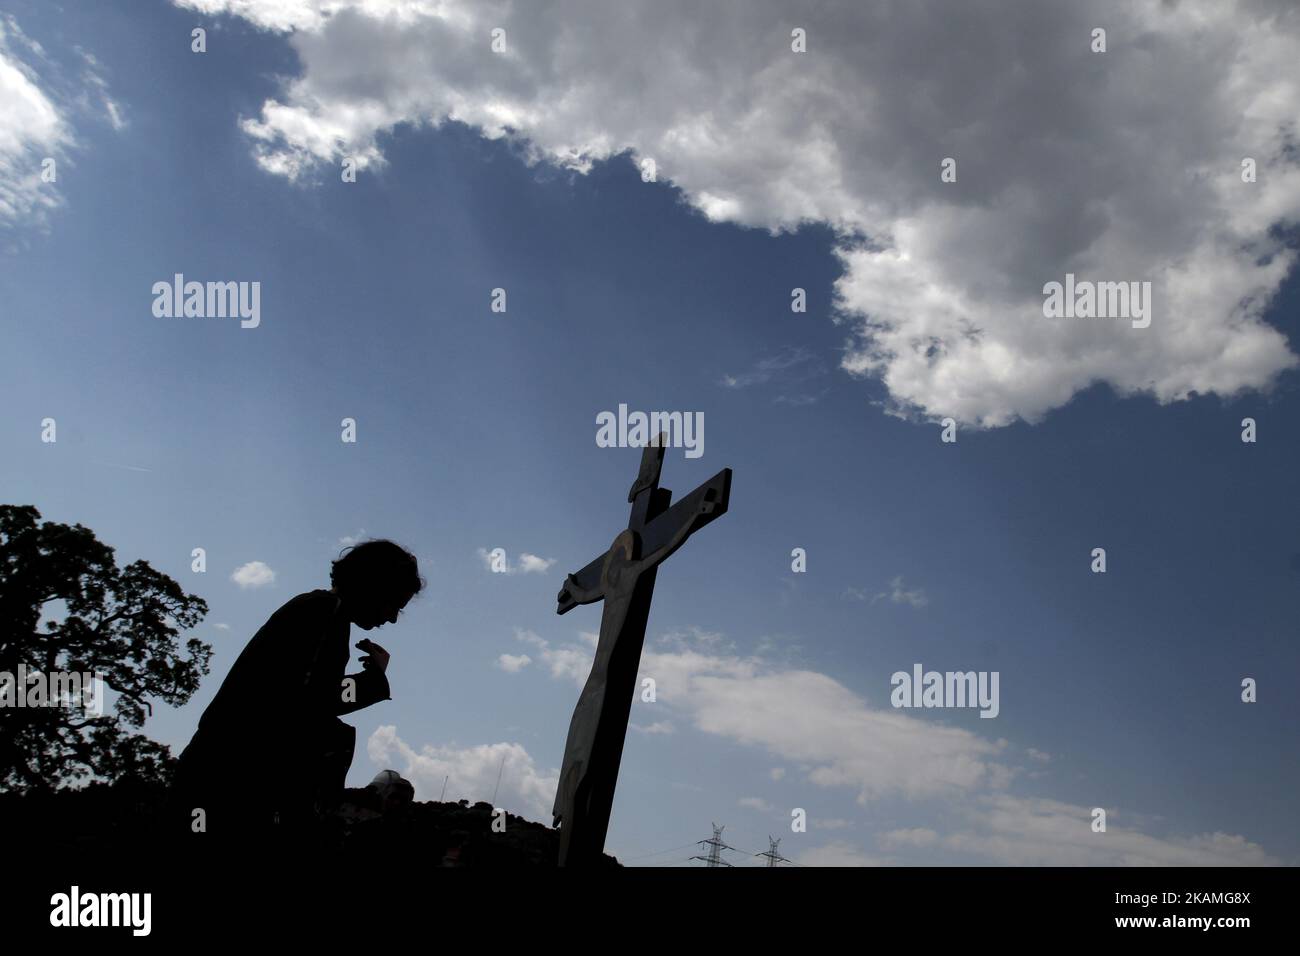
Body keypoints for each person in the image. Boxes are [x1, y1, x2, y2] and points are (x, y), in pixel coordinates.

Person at [167, 539, 423, 854]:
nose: (393, 617)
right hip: (232, 783)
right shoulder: (322, 612)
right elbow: (310, 700)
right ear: (373, 585)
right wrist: (374, 680)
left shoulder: (323, 613)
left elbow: (303, 694)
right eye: (394, 603)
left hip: (226, 777)